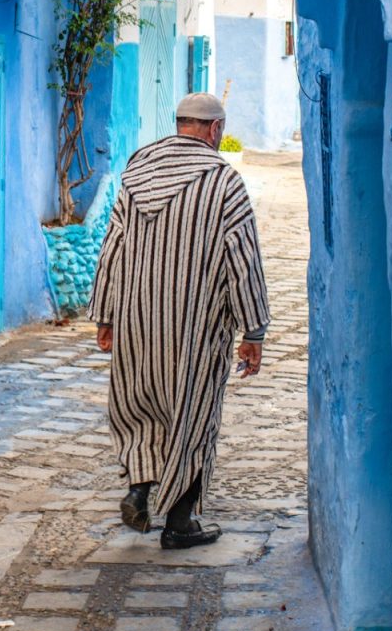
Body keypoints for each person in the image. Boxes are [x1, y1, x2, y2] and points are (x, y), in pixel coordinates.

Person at [88, 91, 270, 549]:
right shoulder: (224, 181)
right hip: (197, 324)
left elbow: (114, 245)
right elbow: (243, 258)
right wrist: (253, 330)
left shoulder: (137, 171)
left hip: (136, 319)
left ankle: (140, 490)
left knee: (141, 407)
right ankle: (180, 523)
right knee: (192, 413)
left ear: (180, 124)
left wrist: (106, 315)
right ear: (214, 130)